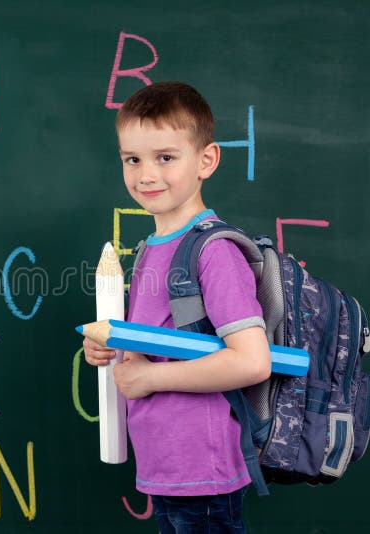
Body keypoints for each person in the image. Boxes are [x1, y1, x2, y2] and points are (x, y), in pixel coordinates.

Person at [83, 81, 271, 533]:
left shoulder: (213, 251)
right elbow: (159, 343)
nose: (146, 175)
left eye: (165, 157)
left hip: (203, 472)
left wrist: (150, 378)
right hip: (166, 466)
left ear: (206, 160)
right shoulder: (148, 250)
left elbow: (251, 361)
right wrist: (112, 349)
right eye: (132, 159)